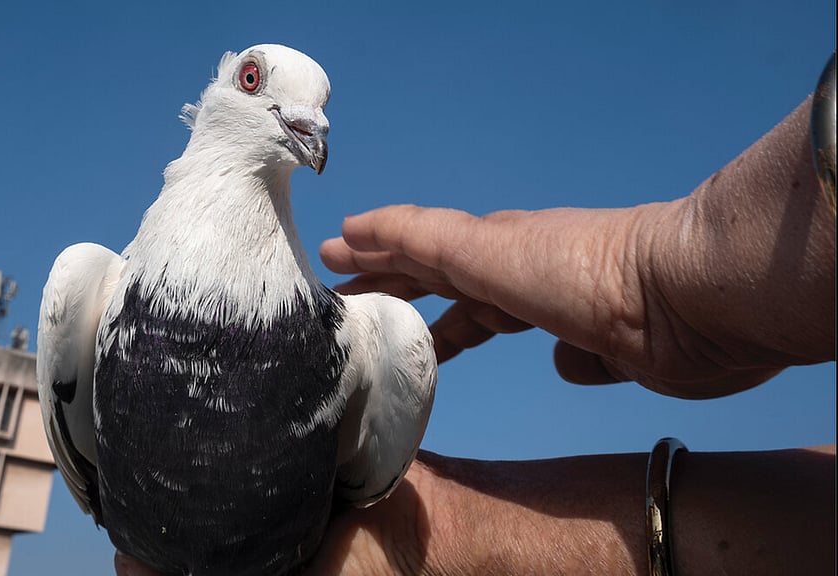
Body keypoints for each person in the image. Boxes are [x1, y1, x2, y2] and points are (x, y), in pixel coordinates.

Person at [116, 84, 835, 574]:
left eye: (320, 107)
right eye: (252, 79)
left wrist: (647, 278)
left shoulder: (377, 338)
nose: (311, 121)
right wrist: (644, 277)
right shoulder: (92, 292)